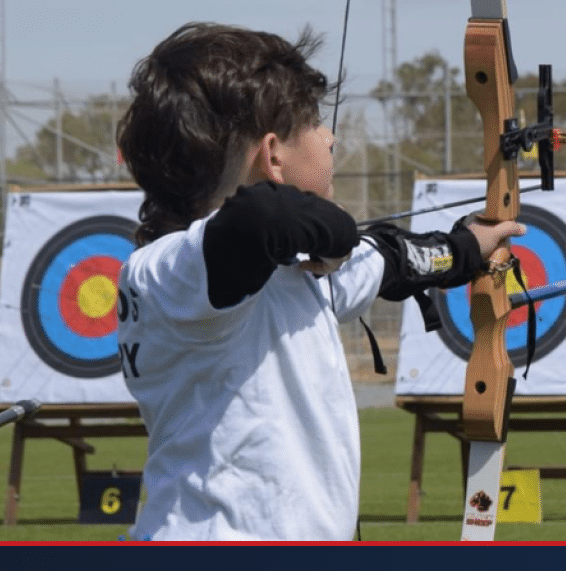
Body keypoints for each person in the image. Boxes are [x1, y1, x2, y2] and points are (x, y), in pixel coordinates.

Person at [115, 22, 523, 540]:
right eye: (311, 122)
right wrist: (337, 235)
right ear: (272, 155)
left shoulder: (287, 272)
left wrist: (464, 248)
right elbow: (266, 218)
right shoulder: (168, 269)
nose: (329, 135)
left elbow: (392, 261)